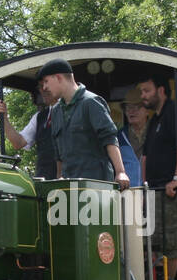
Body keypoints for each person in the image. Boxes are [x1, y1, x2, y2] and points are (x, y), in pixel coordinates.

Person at [138, 71, 177, 280]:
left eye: (147, 91)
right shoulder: (154, 121)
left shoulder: (175, 112)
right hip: (152, 192)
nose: (143, 96)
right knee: (149, 241)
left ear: (161, 91)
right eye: (142, 91)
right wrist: (143, 187)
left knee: (171, 244)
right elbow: (145, 156)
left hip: (169, 192)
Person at [39, 58, 129, 188]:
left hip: (96, 186)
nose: (44, 87)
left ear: (58, 77)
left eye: (46, 81)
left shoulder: (91, 102)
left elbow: (109, 138)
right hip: (69, 187)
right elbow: (58, 153)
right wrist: (59, 180)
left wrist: (121, 172)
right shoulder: (56, 111)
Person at [0, 81, 59, 179]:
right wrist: (4, 119)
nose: (42, 90)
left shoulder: (71, 110)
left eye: (45, 84)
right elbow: (18, 142)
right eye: (40, 86)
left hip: (71, 181)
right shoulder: (39, 117)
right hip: (44, 181)